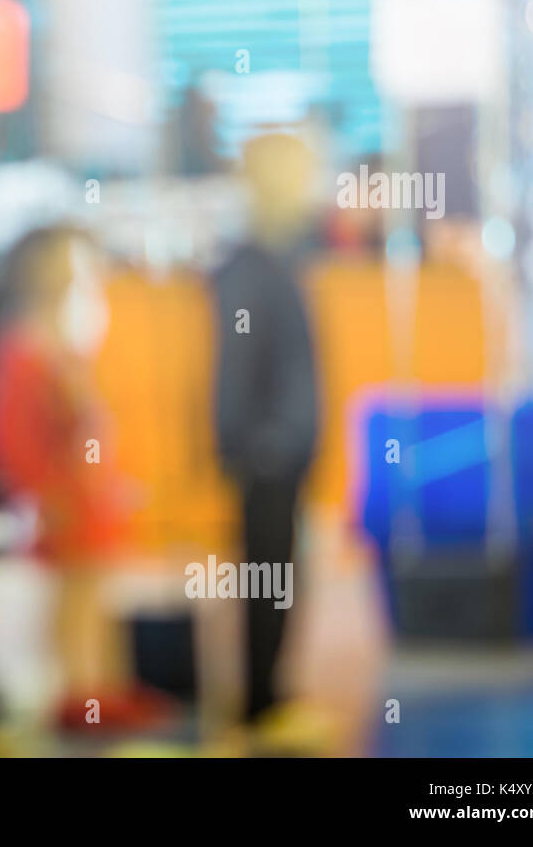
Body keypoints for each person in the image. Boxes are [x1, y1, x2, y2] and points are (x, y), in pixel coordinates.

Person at [0, 226, 166, 733]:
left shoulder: (64, 342)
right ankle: (76, 691)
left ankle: (98, 687)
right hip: (62, 498)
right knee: (74, 596)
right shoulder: (26, 349)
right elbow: (8, 434)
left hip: (86, 494)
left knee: (94, 594)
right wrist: (39, 490)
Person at [210, 132, 319, 726]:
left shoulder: (278, 260)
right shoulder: (251, 268)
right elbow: (237, 367)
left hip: (282, 450)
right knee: (267, 576)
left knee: (280, 575)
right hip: (266, 454)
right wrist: (257, 444)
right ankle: (259, 701)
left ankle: (268, 693)